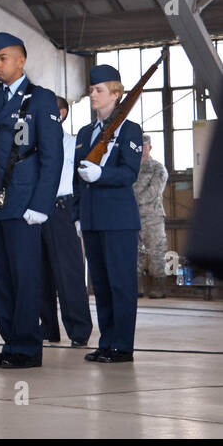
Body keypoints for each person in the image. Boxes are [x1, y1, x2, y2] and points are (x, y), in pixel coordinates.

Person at [0, 31, 62, 370]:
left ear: (21, 60)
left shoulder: (40, 99)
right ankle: (10, 343)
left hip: (24, 201)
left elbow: (52, 156)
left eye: (2, 58)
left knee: (25, 276)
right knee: (0, 276)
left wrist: (41, 204)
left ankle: (26, 347)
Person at [75, 64, 143, 363]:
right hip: (91, 219)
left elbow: (129, 174)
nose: (93, 94)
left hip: (118, 221)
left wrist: (101, 174)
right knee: (101, 285)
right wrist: (78, 214)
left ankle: (122, 346)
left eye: (99, 90)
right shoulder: (86, 132)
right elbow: (77, 176)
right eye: (91, 90)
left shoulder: (130, 130)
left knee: (121, 284)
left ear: (116, 94)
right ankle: (107, 342)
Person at [39, 98, 92, 346]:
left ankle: (79, 331)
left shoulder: (72, 144)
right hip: (37, 210)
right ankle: (47, 327)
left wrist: (79, 214)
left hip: (62, 209)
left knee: (68, 273)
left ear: (60, 114)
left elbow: (81, 181)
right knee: (39, 275)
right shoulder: (34, 144)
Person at [133, 135, 170, 299]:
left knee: (156, 253)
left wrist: (128, 201)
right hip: (132, 218)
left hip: (153, 218)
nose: (142, 151)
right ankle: (136, 288)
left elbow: (154, 191)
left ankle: (159, 288)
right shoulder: (130, 167)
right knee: (134, 255)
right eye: (139, 147)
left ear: (150, 147)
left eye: (145, 147)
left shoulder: (158, 168)